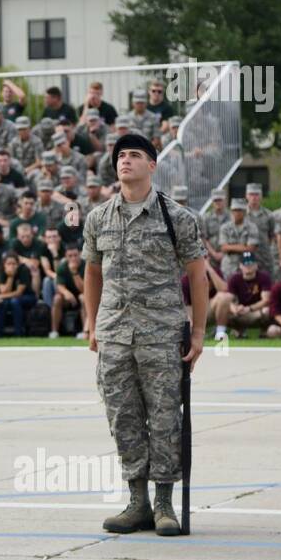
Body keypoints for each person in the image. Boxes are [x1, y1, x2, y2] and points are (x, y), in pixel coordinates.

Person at [83, 133, 207, 537]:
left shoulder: (176, 217)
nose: (126, 161)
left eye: (135, 155)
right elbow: (92, 272)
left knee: (166, 417)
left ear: (152, 165)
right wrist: (92, 322)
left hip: (161, 333)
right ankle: (137, 501)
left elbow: (197, 273)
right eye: (121, 156)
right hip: (115, 335)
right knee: (123, 417)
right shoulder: (99, 217)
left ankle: (164, 502)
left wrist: (200, 331)